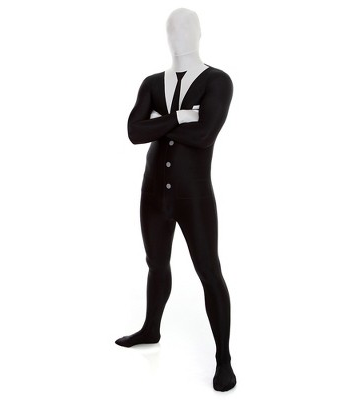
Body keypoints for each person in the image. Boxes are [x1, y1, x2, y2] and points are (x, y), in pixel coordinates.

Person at [115, 8, 236, 392]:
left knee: (209, 271)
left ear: (200, 32)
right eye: (172, 28)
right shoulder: (153, 82)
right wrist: (181, 116)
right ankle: (151, 328)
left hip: (194, 196)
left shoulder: (218, 81)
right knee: (156, 263)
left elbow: (205, 136)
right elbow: (134, 132)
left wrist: (159, 123)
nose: (178, 33)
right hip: (152, 194)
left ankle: (223, 359)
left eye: (186, 27)